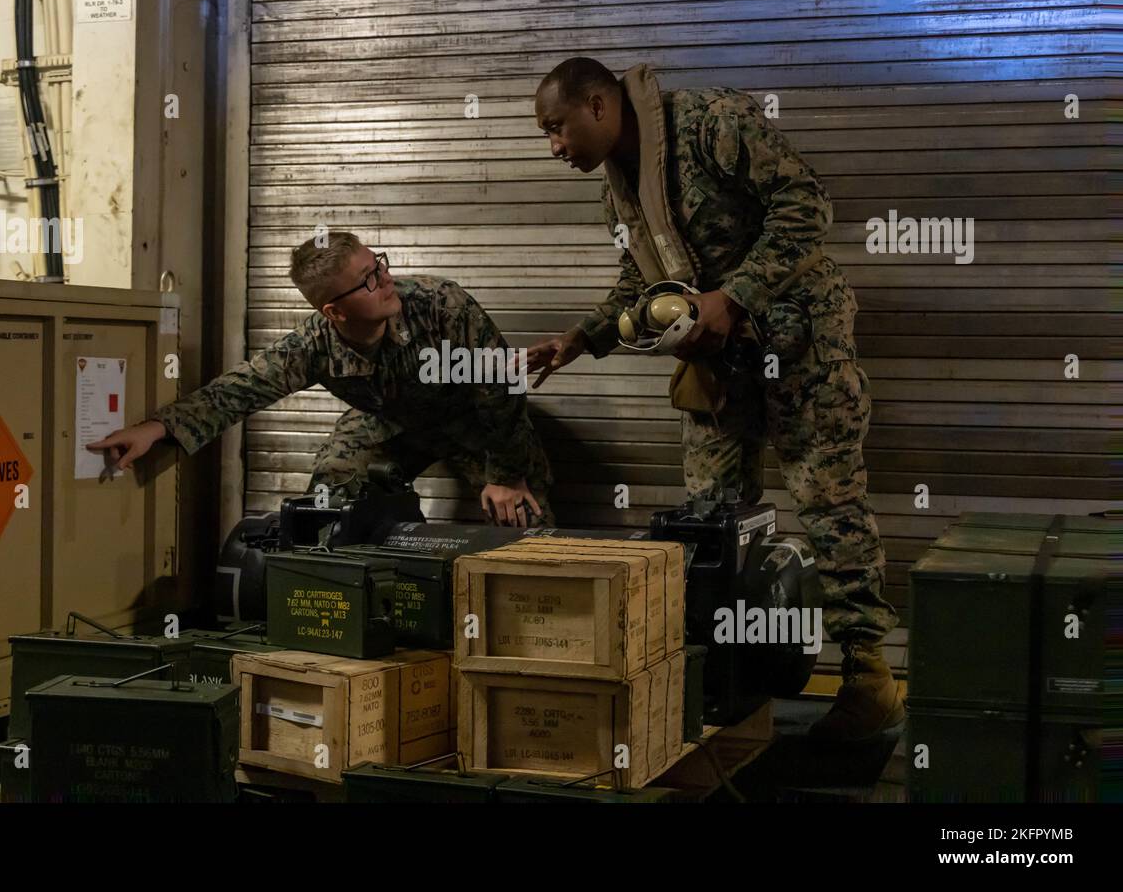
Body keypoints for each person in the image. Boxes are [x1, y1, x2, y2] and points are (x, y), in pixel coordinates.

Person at [526, 57, 900, 741]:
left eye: (557, 129)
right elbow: (640, 280)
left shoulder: (711, 123)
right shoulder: (620, 184)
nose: (555, 148)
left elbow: (807, 206)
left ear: (599, 106)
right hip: (721, 366)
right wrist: (580, 339)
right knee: (708, 520)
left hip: (799, 345)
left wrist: (735, 296)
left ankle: (869, 680)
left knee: (828, 504)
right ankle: (723, 678)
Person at [89, 231, 554, 527]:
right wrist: (154, 428)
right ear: (334, 312)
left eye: (380, 265)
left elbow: (502, 384)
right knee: (329, 500)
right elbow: (241, 389)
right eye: (368, 280)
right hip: (390, 422)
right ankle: (353, 597)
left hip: (473, 419)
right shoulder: (314, 345)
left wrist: (507, 476)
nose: (386, 279)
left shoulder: (440, 306)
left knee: (527, 522)